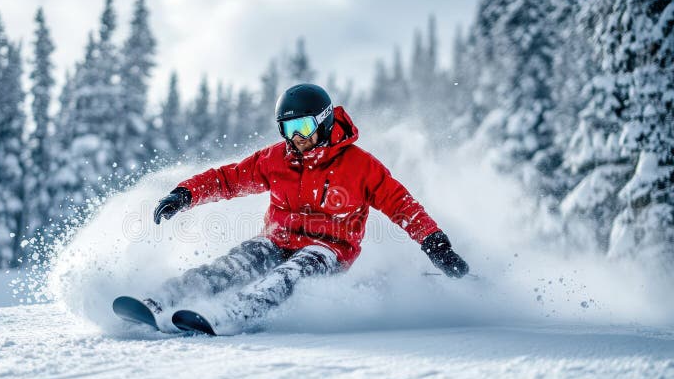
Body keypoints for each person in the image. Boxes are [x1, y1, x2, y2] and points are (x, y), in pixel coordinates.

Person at [150, 83, 468, 334]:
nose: (297, 138)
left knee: (292, 273)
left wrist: (435, 244)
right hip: (278, 239)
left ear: (324, 121)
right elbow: (229, 178)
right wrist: (185, 194)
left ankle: (236, 312)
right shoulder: (276, 159)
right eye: (288, 129)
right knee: (236, 263)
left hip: (329, 249)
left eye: (302, 126)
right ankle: (165, 299)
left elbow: (401, 205)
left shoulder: (359, 166)